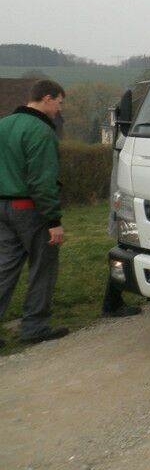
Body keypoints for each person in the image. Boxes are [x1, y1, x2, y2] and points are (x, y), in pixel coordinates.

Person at [0, 80, 69, 345]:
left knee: (5, 268)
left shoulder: (4, 124)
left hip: (3, 207)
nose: (59, 110)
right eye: (59, 103)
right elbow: (42, 181)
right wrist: (54, 220)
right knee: (43, 266)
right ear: (47, 98)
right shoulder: (41, 131)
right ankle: (35, 327)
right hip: (30, 208)